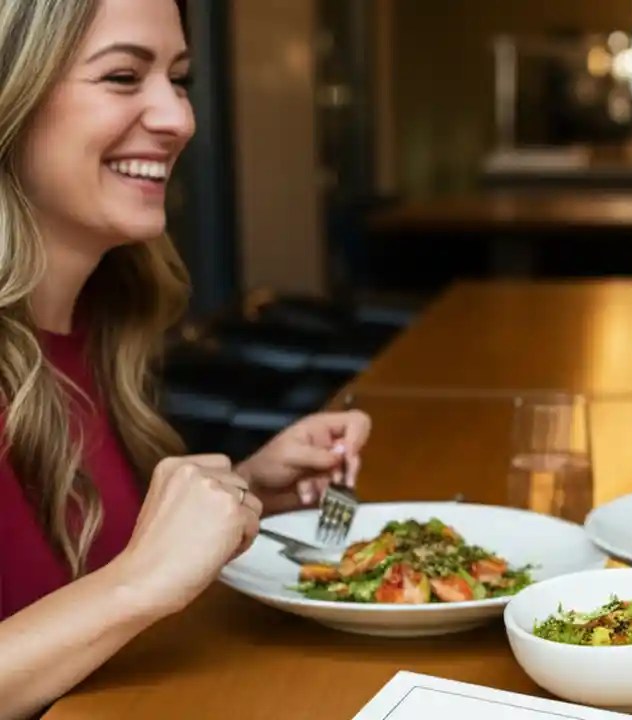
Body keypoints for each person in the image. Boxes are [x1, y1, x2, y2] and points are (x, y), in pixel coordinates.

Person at [0, 1, 370, 717]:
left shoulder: (99, 322)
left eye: (178, 78)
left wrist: (244, 493)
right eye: (122, 76)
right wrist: (142, 580)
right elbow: (120, 589)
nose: (178, 118)